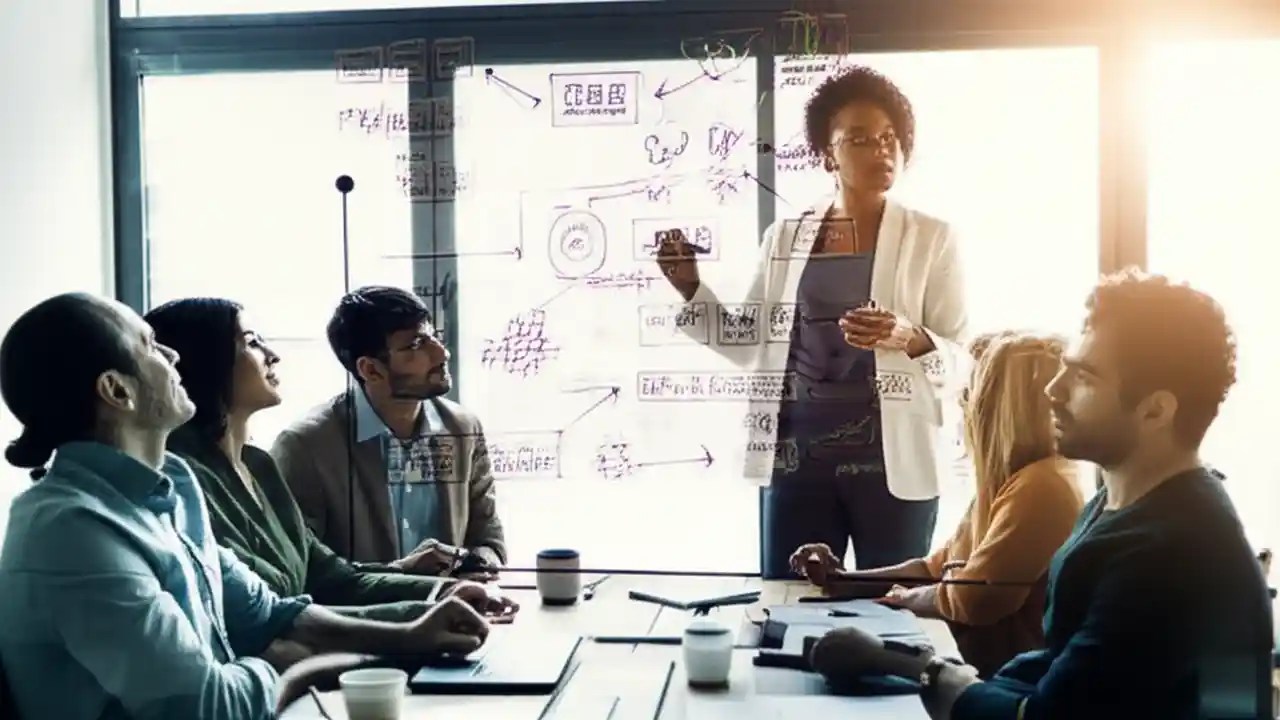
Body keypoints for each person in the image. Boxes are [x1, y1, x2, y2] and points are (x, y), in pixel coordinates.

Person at [0, 292, 494, 719]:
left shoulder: (173, 484)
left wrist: (411, 632)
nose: (172, 357)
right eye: (150, 345)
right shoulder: (72, 530)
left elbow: (273, 613)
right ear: (116, 391)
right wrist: (312, 666)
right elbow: (208, 708)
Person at [813, 270, 1275, 719]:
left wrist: (914, 667)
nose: (1053, 390)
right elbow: (1061, 665)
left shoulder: (1165, 554)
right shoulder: (1122, 506)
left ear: (1155, 410)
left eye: (1084, 378)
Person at [657, 65, 970, 577]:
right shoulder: (787, 236)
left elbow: (963, 362)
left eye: (890, 137)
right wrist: (691, 288)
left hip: (891, 463)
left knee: (889, 615)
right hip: (796, 462)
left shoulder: (932, 238)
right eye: (861, 140)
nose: (881, 150)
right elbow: (750, 344)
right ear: (829, 153)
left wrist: (907, 336)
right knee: (787, 606)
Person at [145, 297, 519, 623]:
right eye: (251, 343)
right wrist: (422, 616)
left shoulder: (258, 467)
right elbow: (275, 616)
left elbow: (332, 577)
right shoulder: (185, 483)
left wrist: (444, 593)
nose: (272, 355)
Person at [792, 331, 1085, 677]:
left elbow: (974, 599)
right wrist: (843, 580)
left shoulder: (1042, 487)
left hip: (1000, 685)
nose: (963, 404)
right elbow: (935, 570)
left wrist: (907, 599)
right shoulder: (1016, 480)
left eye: (969, 392)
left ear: (996, 404)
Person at [273, 286, 507, 567]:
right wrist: (398, 577)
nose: (442, 353)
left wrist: (470, 564)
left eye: (433, 337)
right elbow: (301, 568)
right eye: (416, 345)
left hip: (452, 606)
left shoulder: (462, 427)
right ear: (370, 370)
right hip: (361, 612)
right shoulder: (306, 446)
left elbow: (489, 543)